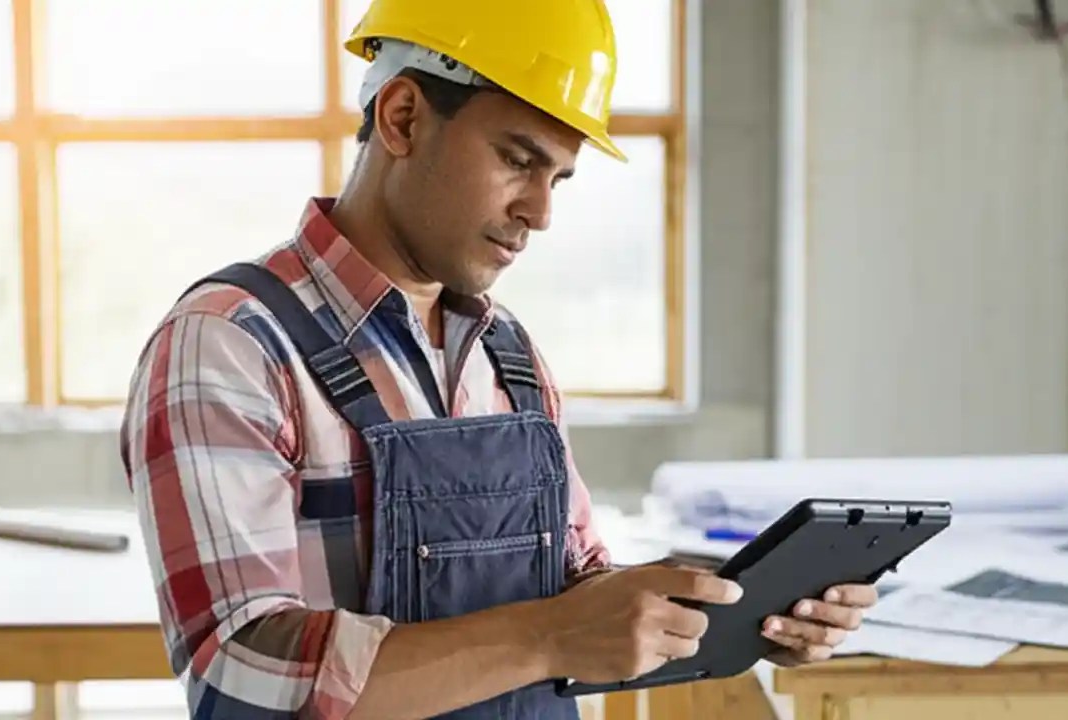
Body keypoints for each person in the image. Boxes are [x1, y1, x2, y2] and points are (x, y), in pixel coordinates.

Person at [120, 1, 878, 718]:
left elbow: (577, 588)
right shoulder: (230, 346)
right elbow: (239, 678)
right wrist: (550, 633)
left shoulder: (507, 356)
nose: (540, 213)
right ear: (404, 117)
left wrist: (737, 615)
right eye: (519, 160)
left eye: (557, 179)